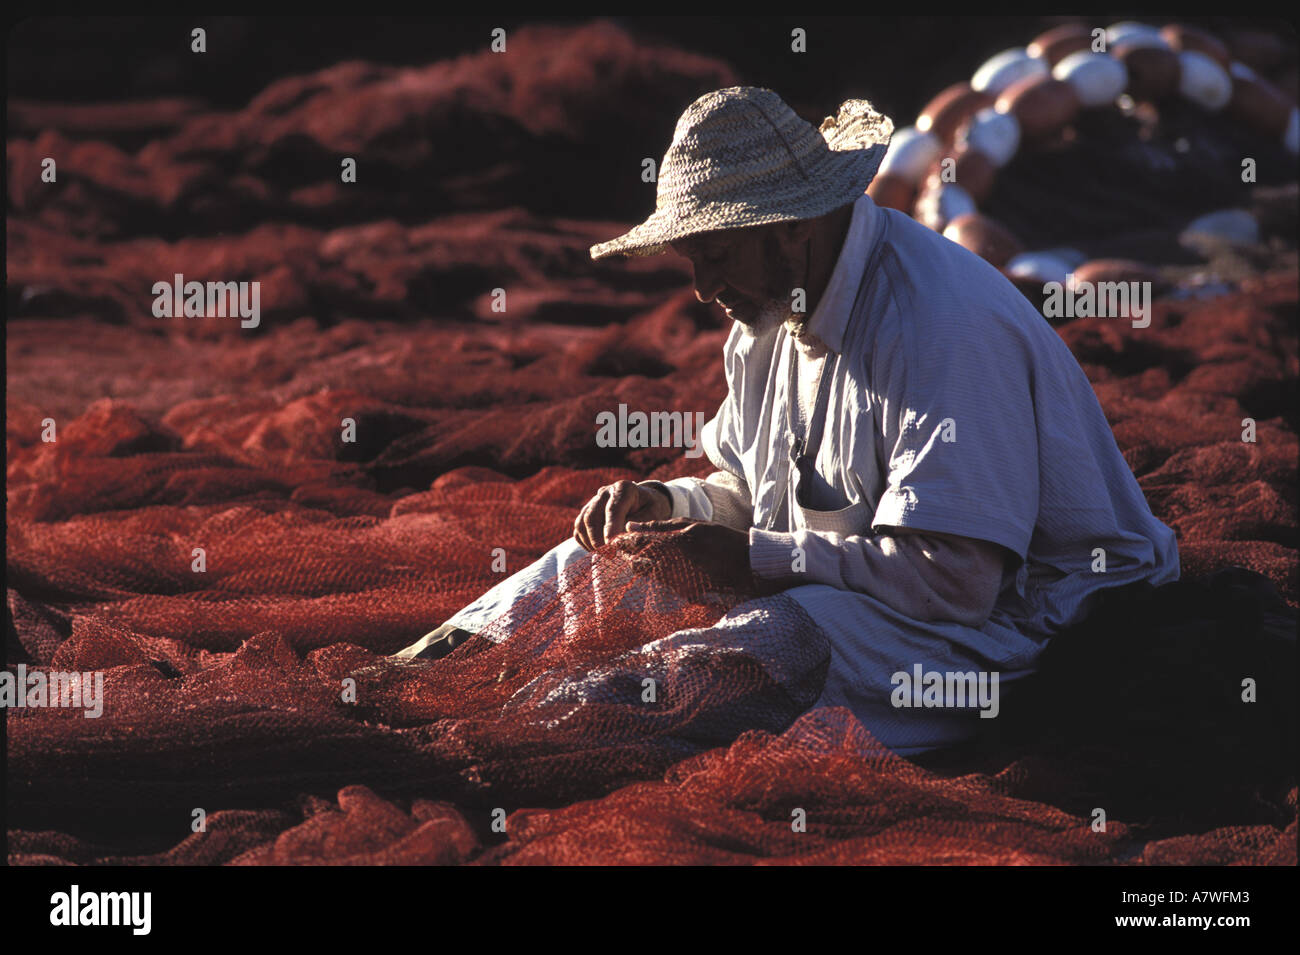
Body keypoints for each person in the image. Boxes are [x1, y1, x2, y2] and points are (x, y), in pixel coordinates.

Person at [395, 86, 1180, 756]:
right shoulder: (768, 313)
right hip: (884, 585)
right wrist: (671, 508)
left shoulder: (940, 328)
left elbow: (957, 578)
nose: (702, 288)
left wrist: (752, 561)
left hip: (1022, 628)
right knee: (602, 561)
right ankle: (414, 686)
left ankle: (525, 737)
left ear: (792, 227)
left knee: (777, 634)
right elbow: (750, 487)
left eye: (715, 254)